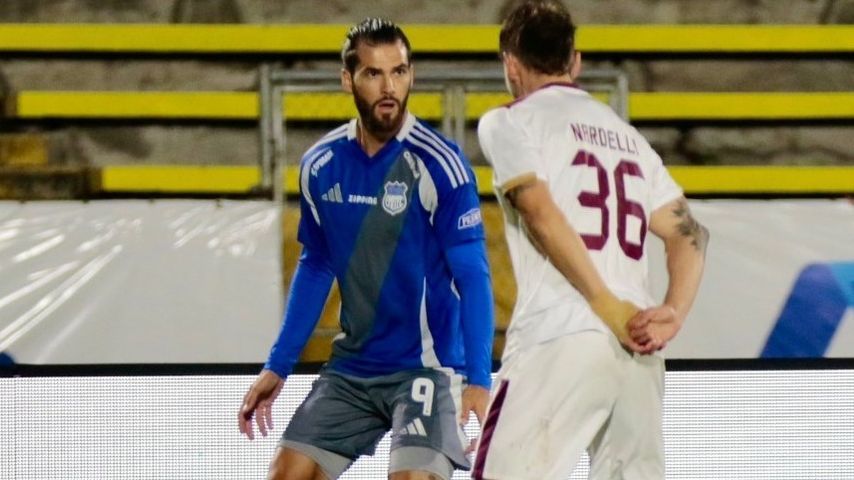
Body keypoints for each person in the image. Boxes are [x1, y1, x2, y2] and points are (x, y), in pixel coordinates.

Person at [238, 17, 495, 480]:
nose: (389, 87)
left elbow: (473, 276)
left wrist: (478, 378)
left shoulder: (440, 163)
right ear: (348, 80)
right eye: (374, 73)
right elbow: (317, 264)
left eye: (399, 71)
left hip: (427, 372)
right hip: (352, 369)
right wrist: (278, 365)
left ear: (411, 75)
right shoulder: (321, 164)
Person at [472, 1, 709, 479]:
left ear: (510, 64)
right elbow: (691, 234)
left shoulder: (510, 121)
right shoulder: (629, 138)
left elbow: (539, 212)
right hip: (639, 345)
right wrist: (673, 311)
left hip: (563, 331)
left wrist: (604, 304)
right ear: (574, 61)